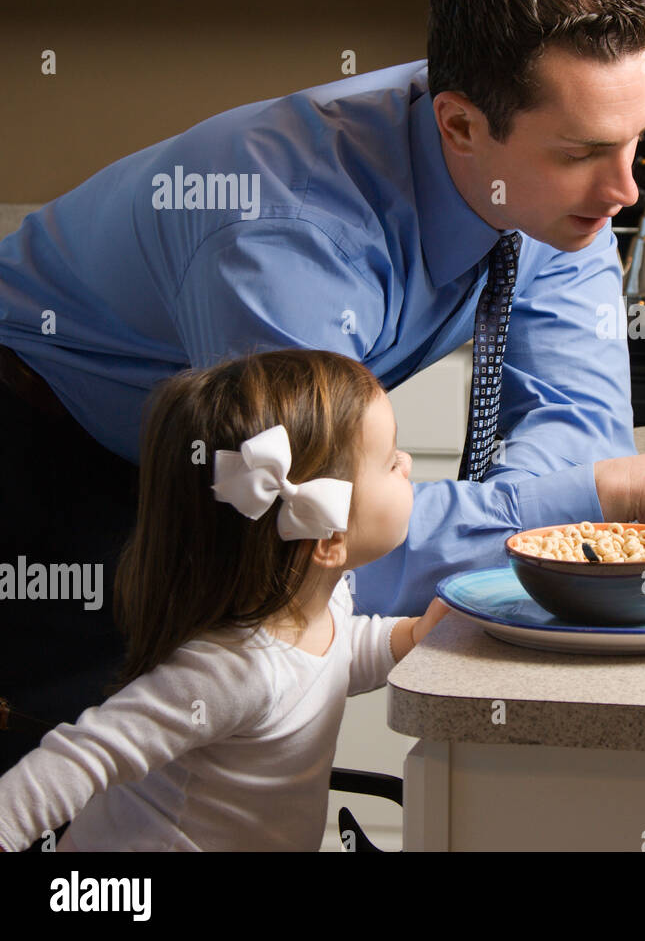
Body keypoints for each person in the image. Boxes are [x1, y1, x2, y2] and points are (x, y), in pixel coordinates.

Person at [0, 0, 645, 775]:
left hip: (209, 462)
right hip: (43, 444)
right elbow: (317, 540)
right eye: (586, 153)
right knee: (79, 776)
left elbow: (575, 429)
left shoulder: (547, 179)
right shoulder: (284, 238)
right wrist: (609, 495)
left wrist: (579, 507)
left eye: (636, 143)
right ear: (461, 125)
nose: (624, 191)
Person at [0, 349, 449, 851]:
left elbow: (335, 653)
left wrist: (408, 637)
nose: (406, 464)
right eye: (390, 462)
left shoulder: (322, 604)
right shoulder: (232, 671)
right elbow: (83, 756)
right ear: (329, 540)